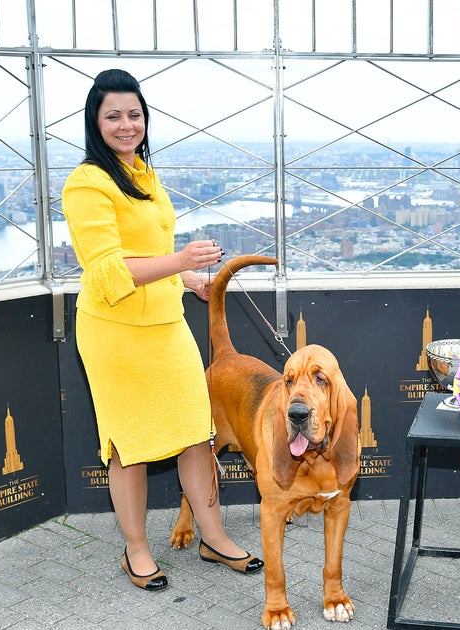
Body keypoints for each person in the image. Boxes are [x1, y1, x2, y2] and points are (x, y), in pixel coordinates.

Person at [61, 68, 262, 591]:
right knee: (129, 443)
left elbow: (147, 258)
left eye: (135, 114)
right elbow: (107, 272)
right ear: (95, 122)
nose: (127, 125)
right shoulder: (87, 182)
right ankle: (136, 551)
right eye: (114, 116)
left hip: (166, 326)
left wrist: (191, 277)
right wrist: (179, 259)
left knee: (197, 433)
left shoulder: (143, 175)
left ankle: (213, 537)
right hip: (115, 334)